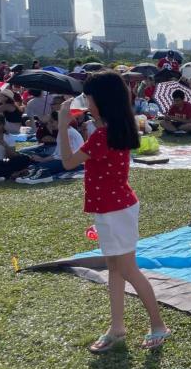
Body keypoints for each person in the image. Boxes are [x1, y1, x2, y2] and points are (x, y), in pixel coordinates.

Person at [57, 72, 169, 352]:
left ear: (101, 100)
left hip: (115, 210)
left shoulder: (103, 135)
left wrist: (62, 125)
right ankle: (117, 327)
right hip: (115, 207)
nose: (86, 101)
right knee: (115, 268)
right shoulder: (114, 128)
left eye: (89, 97)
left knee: (128, 269)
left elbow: (69, 162)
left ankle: (158, 325)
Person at [16, 112, 85, 184]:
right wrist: (41, 159)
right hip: (68, 160)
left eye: (52, 122)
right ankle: (25, 173)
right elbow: (58, 154)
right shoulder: (64, 131)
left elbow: (61, 156)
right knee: (34, 161)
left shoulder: (67, 132)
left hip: (73, 163)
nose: (50, 124)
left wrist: (42, 160)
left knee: (40, 167)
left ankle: (27, 174)